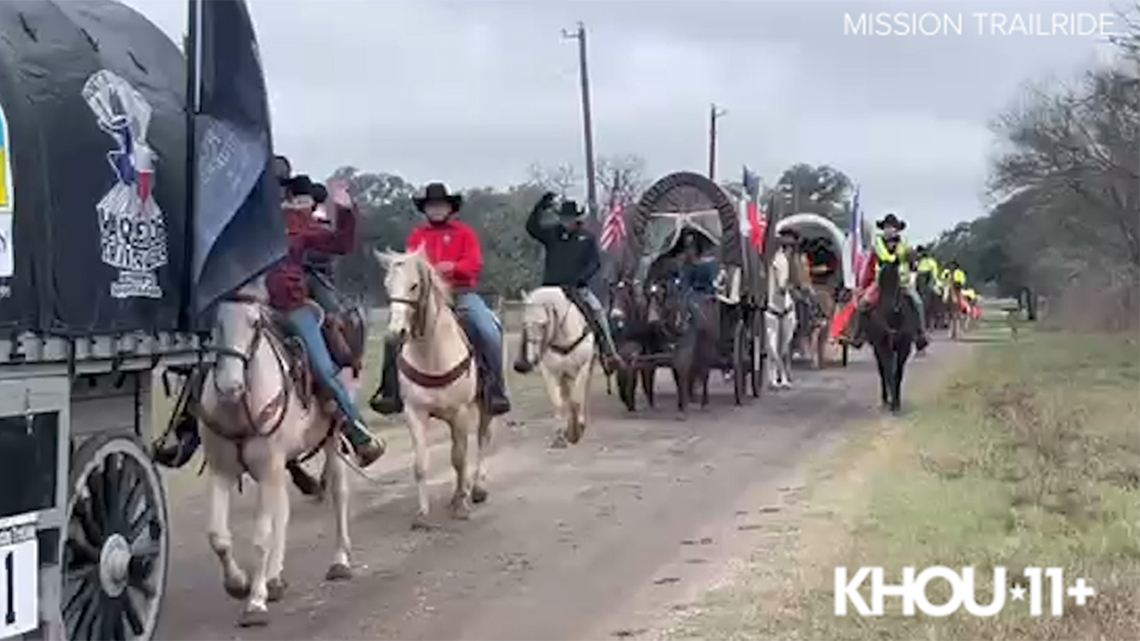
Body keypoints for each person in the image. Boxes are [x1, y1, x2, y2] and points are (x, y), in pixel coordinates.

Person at [265, 174, 386, 468]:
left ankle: (358, 433)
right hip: (254, 306)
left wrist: (344, 211)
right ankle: (191, 429)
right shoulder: (255, 221)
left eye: (304, 200)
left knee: (322, 367)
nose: (299, 205)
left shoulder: (302, 225)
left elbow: (341, 244)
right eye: (295, 199)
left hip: (291, 306)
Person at [370, 182, 511, 416]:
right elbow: (411, 269)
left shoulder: (464, 233)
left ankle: (495, 390)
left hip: (462, 294)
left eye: (440, 206)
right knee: (392, 337)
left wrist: (452, 267)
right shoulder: (418, 236)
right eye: (431, 206)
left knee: (489, 331)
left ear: (449, 208)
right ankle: (391, 391)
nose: (436, 210)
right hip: (426, 300)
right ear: (425, 210)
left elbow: (474, 264)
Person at [516, 192, 623, 374]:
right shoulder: (551, 234)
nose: (567, 221)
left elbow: (594, 263)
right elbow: (531, 228)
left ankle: (609, 353)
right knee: (531, 314)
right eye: (564, 218)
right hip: (550, 288)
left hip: (576, 288)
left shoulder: (586, 238)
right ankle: (524, 357)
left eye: (570, 218)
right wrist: (540, 207)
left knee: (597, 312)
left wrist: (581, 278)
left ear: (576, 219)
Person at [846, 213, 929, 351]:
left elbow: (909, 257)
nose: (889, 230)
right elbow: (885, 257)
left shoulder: (904, 242)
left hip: (902, 282)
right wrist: (897, 257)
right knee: (863, 303)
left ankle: (921, 334)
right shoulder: (878, 242)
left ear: (897, 230)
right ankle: (858, 336)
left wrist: (911, 258)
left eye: (892, 227)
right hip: (881, 281)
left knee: (917, 302)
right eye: (886, 227)